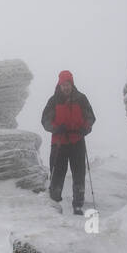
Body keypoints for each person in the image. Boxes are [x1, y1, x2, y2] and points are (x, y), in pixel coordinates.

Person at [40, 70, 95, 215]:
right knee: (57, 173)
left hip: (77, 141)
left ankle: (78, 205)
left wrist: (85, 129)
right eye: (63, 84)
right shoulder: (53, 100)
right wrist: (56, 128)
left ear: (72, 84)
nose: (66, 87)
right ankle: (54, 202)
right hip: (59, 142)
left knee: (79, 174)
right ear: (59, 84)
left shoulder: (81, 99)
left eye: (68, 84)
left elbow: (91, 117)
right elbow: (45, 120)